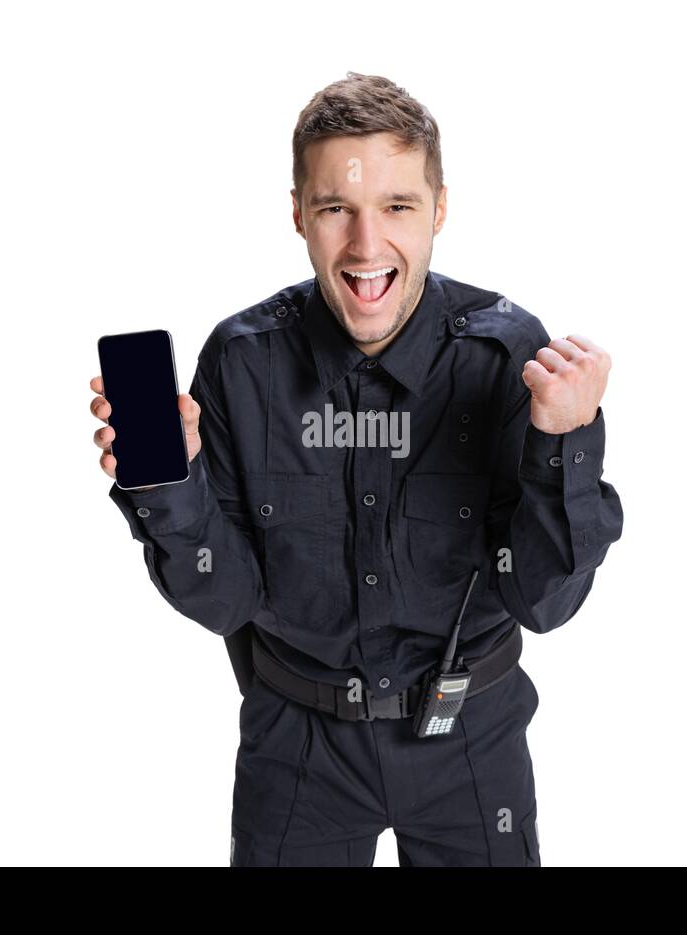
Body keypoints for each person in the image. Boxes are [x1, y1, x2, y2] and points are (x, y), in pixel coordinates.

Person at [89, 72, 624, 866]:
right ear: (299, 214)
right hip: (296, 745)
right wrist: (174, 487)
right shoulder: (242, 361)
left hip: (471, 739)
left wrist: (565, 441)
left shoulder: (510, 355)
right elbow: (226, 596)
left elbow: (545, 603)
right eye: (337, 208)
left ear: (440, 209)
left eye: (398, 207)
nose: (367, 247)